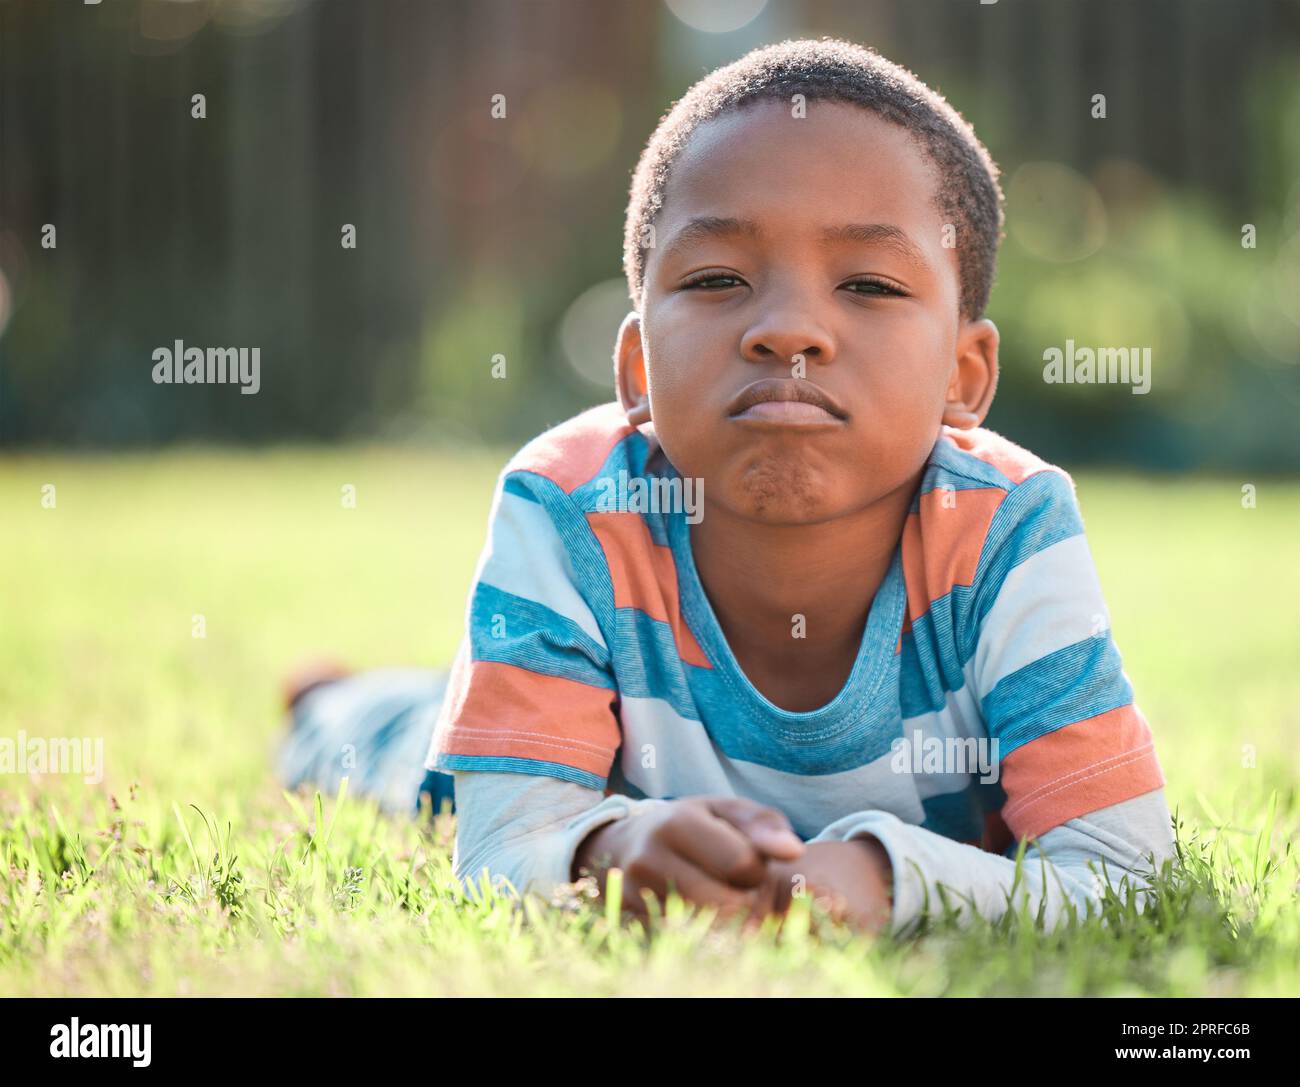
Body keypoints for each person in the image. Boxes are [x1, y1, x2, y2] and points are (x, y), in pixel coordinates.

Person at [279, 38, 1176, 937]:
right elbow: (502, 846)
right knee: (405, 749)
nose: (787, 329)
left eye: (868, 283)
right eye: (717, 280)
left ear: (964, 373)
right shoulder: (570, 509)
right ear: (634, 367)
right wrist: (607, 854)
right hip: (548, 739)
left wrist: (891, 879)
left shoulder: (1009, 532)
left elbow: (1128, 869)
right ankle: (334, 702)